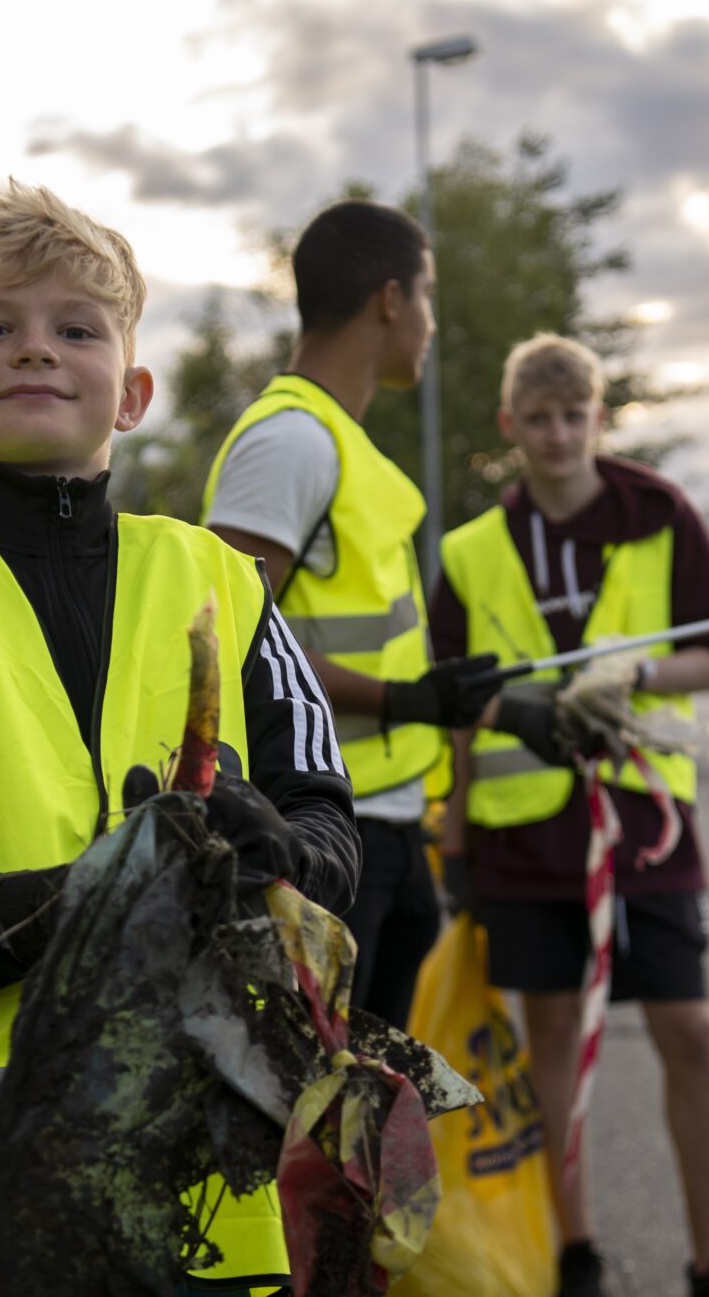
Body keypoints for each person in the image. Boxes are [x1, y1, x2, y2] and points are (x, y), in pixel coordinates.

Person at [0, 182, 360, 1297]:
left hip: (203, 1201)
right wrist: (87, 896)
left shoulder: (223, 581)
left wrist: (268, 854)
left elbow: (329, 822)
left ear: (131, 390)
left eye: (75, 329)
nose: (36, 350)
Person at [431, 333, 709, 1297]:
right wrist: (453, 830)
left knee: (690, 1026)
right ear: (509, 428)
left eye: (573, 415)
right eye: (536, 419)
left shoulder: (659, 514)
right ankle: (574, 1251)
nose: (557, 434)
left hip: (644, 821)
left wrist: (639, 672)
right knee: (549, 1041)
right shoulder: (473, 550)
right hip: (524, 831)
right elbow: (455, 703)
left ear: (600, 417)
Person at [201, 200, 497, 1032]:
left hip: (391, 826)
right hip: (327, 834)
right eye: (430, 298)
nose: (431, 324)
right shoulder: (293, 443)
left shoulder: (342, 441)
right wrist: (403, 701)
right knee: (319, 1126)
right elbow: (223, 645)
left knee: (366, 1124)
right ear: (392, 300)